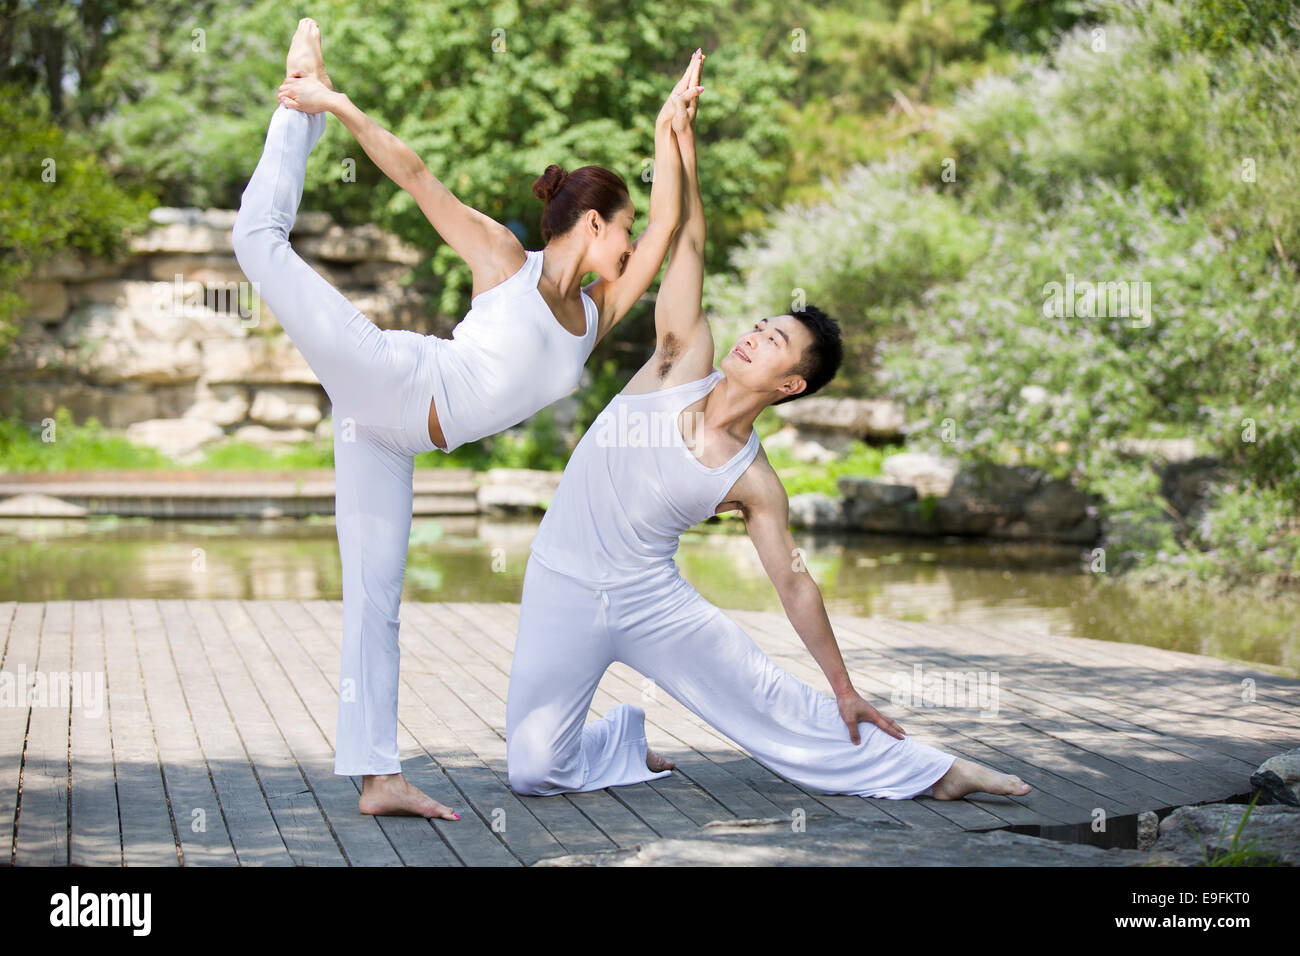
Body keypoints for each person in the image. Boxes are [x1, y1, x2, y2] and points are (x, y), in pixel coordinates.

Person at [504, 64, 1033, 804]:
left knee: (769, 701)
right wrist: (677, 143)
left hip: (648, 598)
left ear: (791, 386)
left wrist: (845, 685)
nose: (754, 336)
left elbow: (793, 581)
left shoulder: (754, 480)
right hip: (561, 575)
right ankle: (622, 738)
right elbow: (686, 238)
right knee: (533, 773)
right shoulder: (678, 359)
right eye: (761, 325)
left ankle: (935, 771)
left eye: (776, 341)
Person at [231, 18, 704, 819]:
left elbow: (665, 226)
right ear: (592, 224)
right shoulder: (502, 261)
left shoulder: (595, 314)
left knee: (375, 601)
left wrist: (671, 132)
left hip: (392, 435)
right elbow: (416, 177)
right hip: (392, 374)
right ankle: (296, 108)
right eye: (619, 231)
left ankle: (379, 779)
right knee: (256, 238)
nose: (630, 246)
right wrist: (335, 104)